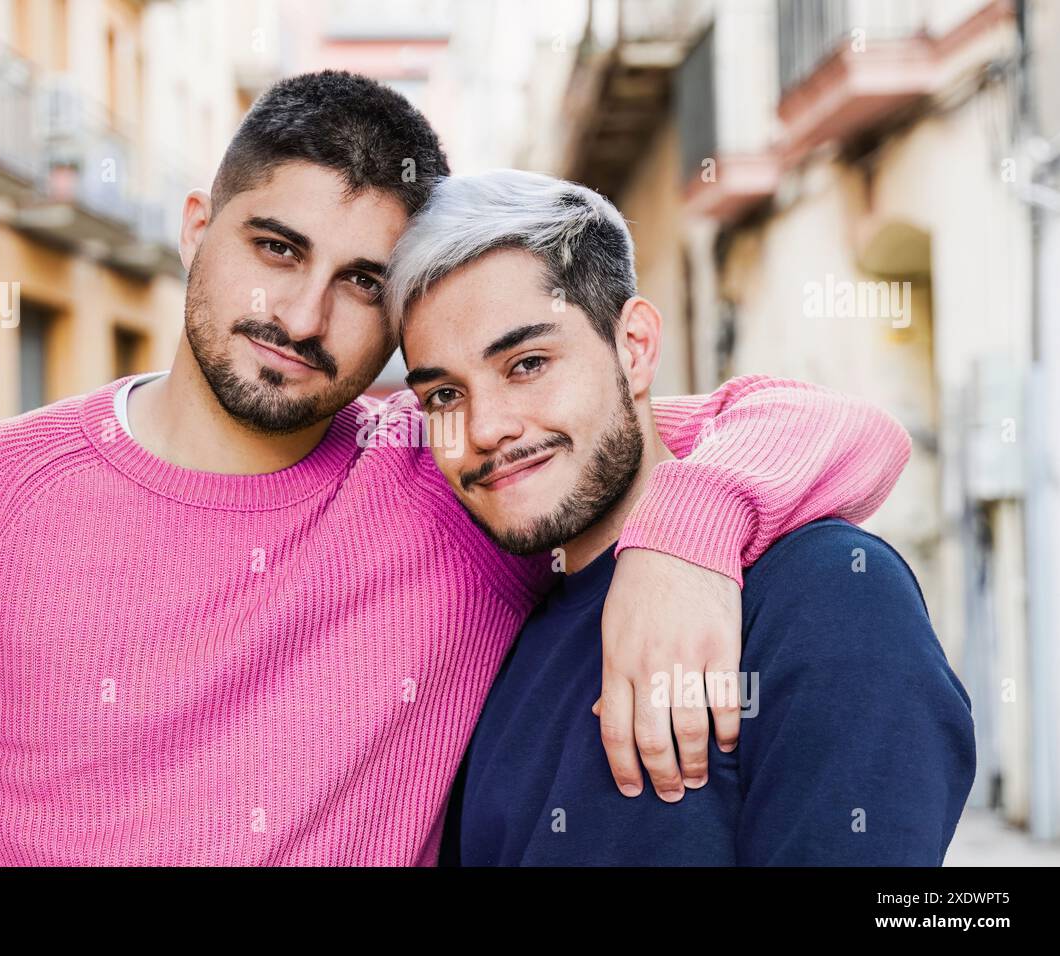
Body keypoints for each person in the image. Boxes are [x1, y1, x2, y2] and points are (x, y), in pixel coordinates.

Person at [0, 74, 910, 866]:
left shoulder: (453, 469)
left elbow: (833, 427)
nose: (304, 315)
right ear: (196, 227)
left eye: (363, 282)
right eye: (276, 249)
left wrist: (684, 536)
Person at [385, 169, 975, 865]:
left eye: (528, 363)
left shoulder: (828, 594)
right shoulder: (500, 630)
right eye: (445, 395)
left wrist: (685, 528)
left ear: (634, 347)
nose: (485, 428)